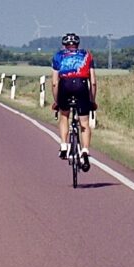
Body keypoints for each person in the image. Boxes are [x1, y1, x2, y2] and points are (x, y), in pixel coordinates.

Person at [51, 32, 96, 171]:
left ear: (64, 45)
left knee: (64, 115)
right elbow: (93, 82)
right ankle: (85, 151)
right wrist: (92, 101)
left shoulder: (58, 56)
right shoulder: (87, 55)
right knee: (84, 123)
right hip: (82, 86)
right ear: (78, 44)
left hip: (65, 85)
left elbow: (54, 83)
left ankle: (64, 145)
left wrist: (56, 101)